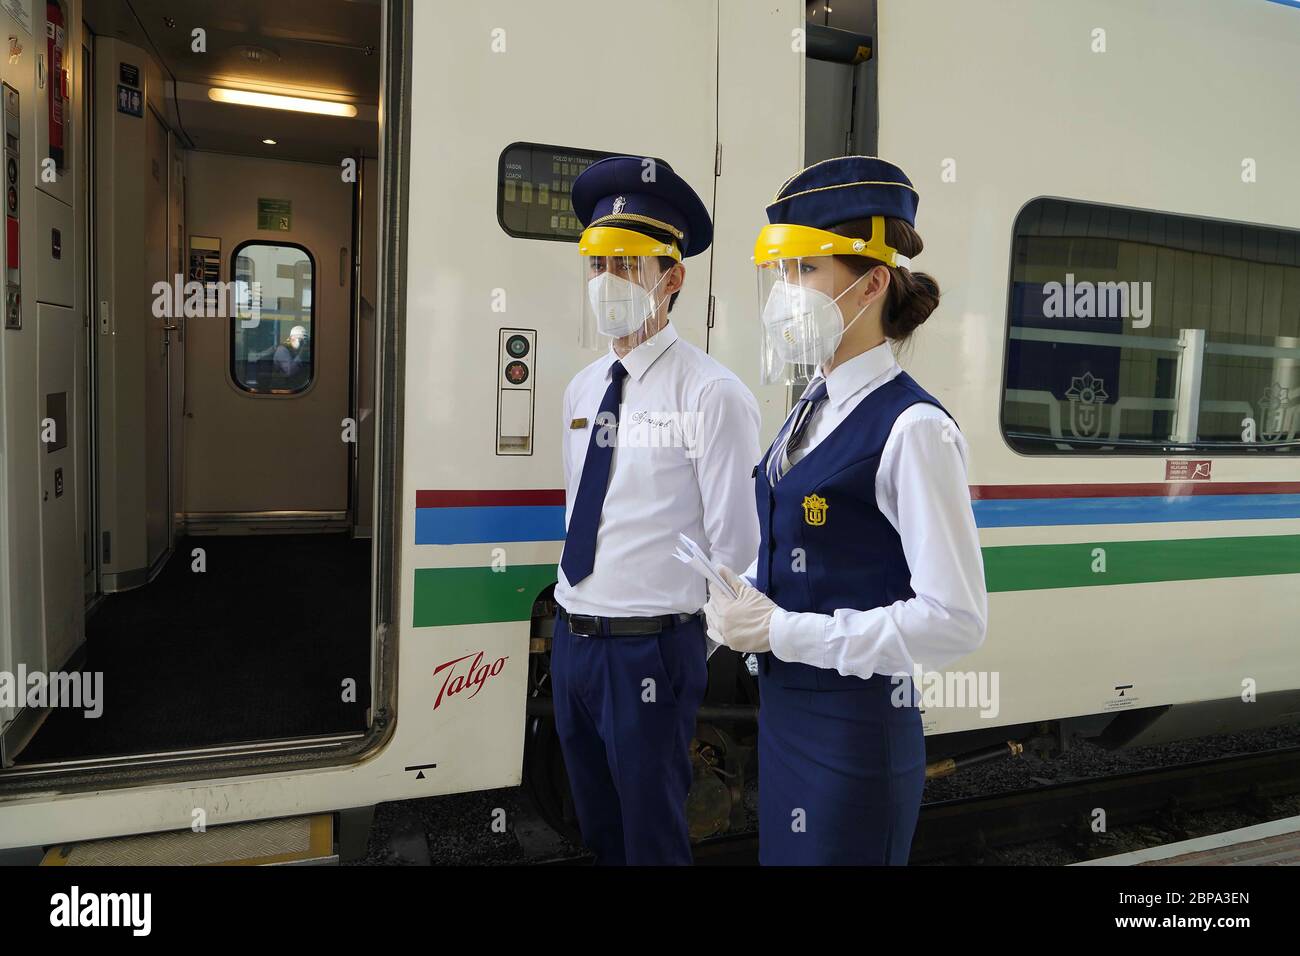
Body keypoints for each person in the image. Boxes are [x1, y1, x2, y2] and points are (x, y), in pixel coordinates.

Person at [703, 156, 988, 865]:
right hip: (788, 715)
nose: (783, 295)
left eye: (805, 271)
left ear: (873, 282)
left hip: (856, 731)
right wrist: (744, 599)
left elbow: (956, 620)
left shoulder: (914, 428)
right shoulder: (815, 404)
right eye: (781, 273)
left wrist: (786, 630)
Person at [552, 155, 761, 865]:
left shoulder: (711, 394)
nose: (608, 282)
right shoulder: (583, 390)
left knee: (652, 839)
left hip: (651, 648)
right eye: (597, 264)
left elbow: (737, 546)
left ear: (670, 278)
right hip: (574, 642)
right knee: (599, 829)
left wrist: (680, 647)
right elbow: (582, 507)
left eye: (629, 264)